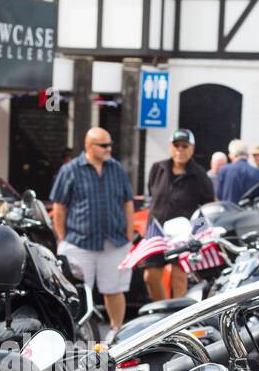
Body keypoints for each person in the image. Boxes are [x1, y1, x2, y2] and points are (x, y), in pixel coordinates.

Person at [49, 127, 135, 331]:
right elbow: (59, 207)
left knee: (114, 290)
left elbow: (128, 202)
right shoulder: (70, 170)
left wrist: (129, 235)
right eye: (103, 145)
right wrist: (62, 239)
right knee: (75, 293)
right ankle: (75, 335)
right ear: (88, 146)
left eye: (110, 144)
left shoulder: (117, 169)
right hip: (79, 243)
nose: (109, 148)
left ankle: (116, 332)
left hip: (114, 242)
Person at [145, 128, 213, 300]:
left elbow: (207, 207)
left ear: (192, 148)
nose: (180, 150)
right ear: (170, 147)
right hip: (156, 229)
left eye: (185, 146)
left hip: (183, 233)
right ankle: (161, 312)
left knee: (179, 276)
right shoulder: (157, 168)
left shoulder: (199, 175)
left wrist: (196, 235)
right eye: (177, 146)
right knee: (150, 276)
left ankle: (177, 316)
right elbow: (152, 195)